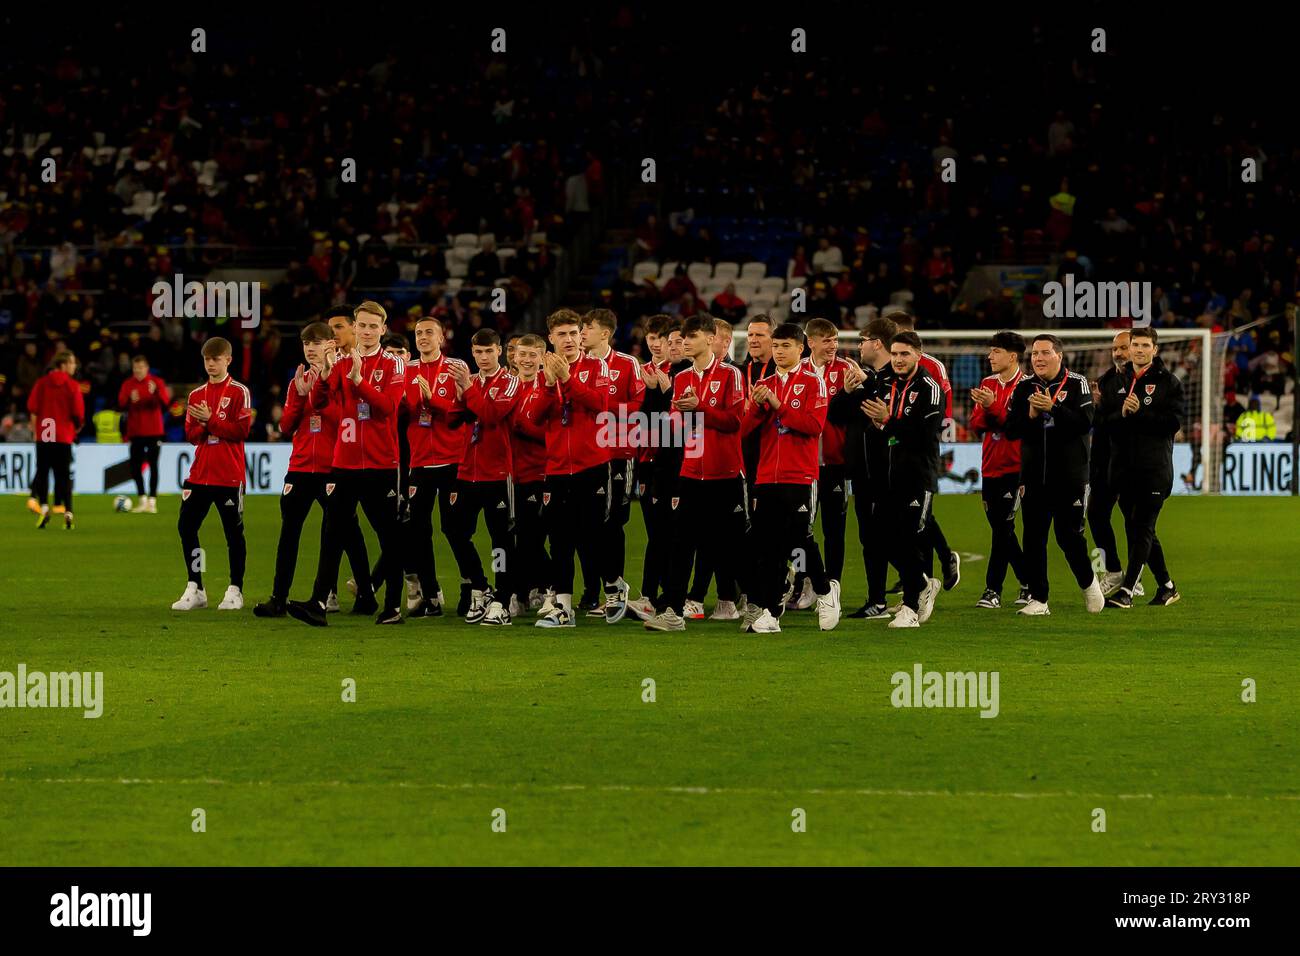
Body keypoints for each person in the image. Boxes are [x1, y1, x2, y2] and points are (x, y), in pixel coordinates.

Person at [287, 301, 408, 626]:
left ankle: (393, 606)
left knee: (388, 535)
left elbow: (387, 408)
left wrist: (357, 380)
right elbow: (318, 402)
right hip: (344, 461)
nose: (366, 332)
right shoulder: (338, 362)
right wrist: (325, 377)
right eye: (362, 325)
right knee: (332, 532)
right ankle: (317, 602)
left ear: (383, 329)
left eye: (373, 326)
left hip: (381, 463)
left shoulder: (394, 365)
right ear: (355, 328)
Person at [253, 323, 370, 618]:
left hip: (334, 466)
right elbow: (285, 426)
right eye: (307, 344)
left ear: (330, 345)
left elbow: (344, 417)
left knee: (347, 533)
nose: (310, 348)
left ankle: (365, 595)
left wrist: (316, 392)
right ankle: (278, 598)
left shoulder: (343, 375)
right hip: (301, 467)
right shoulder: (297, 382)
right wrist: (303, 395)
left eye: (316, 343)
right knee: (289, 533)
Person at [645, 315, 747, 630]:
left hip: (725, 472)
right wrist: (676, 414)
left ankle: (759, 606)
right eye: (683, 337)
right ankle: (675, 612)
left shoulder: (731, 374)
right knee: (681, 542)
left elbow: (736, 421)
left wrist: (700, 408)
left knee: (734, 545)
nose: (684, 342)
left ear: (709, 337)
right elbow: (676, 425)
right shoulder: (683, 377)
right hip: (690, 472)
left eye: (690, 337)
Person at [739, 322, 840, 633]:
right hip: (767, 474)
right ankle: (771, 612)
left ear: (801, 348)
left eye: (786, 346)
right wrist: (756, 407)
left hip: (800, 474)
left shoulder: (813, 382)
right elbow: (744, 431)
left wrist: (778, 406)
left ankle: (824, 591)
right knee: (767, 545)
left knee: (800, 538)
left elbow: (813, 426)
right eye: (777, 347)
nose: (780, 352)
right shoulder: (765, 382)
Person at [1003, 334, 1105, 616]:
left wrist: (1054, 408)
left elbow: (1085, 423)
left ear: (1059, 356)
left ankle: (1089, 585)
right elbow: (1011, 429)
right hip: (1034, 478)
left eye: (1045, 353)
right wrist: (1032, 416)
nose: (1038, 358)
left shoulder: (1077, 383)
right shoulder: (1024, 388)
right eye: (1035, 353)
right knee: (1033, 538)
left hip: (1070, 477)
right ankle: (1039, 598)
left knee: (1069, 538)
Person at [522, 309, 612, 628]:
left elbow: (600, 405)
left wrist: (566, 379)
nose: (570, 339)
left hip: (592, 465)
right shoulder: (543, 372)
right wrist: (549, 385)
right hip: (558, 468)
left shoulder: (596, 366)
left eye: (574, 333)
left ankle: (613, 585)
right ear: (551, 339)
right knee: (559, 539)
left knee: (592, 536)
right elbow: (531, 416)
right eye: (562, 334)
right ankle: (563, 606)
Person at [859, 332, 944, 628]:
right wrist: (878, 425)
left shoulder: (929, 388)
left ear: (918, 354)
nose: (898, 359)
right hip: (887, 477)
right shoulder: (886, 387)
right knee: (881, 539)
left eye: (904, 354)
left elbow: (925, 434)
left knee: (908, 539)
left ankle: (909, 609)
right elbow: (874, 429)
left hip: (917, 476)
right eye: (894, 354)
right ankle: (921, 584)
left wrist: (888, 422)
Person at [1101, 327, 1182, 608]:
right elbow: (1102, 423)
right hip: (1123, 469)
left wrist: (1140, 413)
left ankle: (1126, 591)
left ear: (1155, 350)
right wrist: (1121, 413)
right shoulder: (1113, 382)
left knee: (1143, 527)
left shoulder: (1169, 383)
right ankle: (1167, 587)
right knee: (1138, 529)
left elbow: (1173, 424)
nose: (1138, 350)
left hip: (1154, 469)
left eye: (1145, 345)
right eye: (1135, 344)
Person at [171, 337, 251, 611]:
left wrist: (210, 420)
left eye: (216, 359)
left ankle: (235, 589)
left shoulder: (240, 392)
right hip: (199, 474)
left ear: (228, 360)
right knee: (187, 527)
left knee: (233, 533)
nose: (211, 364)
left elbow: (241, 432)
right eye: (207, 359)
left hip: (228, 475)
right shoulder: (196, 395)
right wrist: (207, 424)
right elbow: (192, 436)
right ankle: (196, 586)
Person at [452, 329, 523, 625]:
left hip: (497, 473)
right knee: (455, 530)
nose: (483, 357)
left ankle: (503, 602)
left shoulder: (510, 382)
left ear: (499, 351)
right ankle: (481, 587)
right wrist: (459, 398)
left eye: (488, 351)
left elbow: (492, 415)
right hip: (467, 470)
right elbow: (455, 419)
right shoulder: (472, 382)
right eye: (478, 352)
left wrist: (467, 390)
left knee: (501, 540)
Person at [829, 316, 898, 620]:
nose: (859, 346)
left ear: (877, 343)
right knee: (870, 536)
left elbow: (905, 426)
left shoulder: (899, 379)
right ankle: (879, 600)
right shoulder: (864, 378)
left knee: (892, 533)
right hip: (862, 470)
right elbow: (835, 416)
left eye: (862, 340)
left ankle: (916, 585)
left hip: (891, 470)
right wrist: (845, 390)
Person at [887, 308, 960, 591]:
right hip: (896, 448)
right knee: (913, 515)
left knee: (917, 513)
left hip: (922, 446)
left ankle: (922, 579)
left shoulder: (932, 369)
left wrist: (944, 434)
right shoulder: (891, 370)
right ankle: (928, 568)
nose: (896, 355)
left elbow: (943, 405)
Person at [581, 308, 646, 622]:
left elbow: (640, 405)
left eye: (587, 328)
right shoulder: (577, 365)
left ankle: (615, 586)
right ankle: (593, 590)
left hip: (619, 453)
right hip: (586, 455)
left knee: (614, 521)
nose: (582, 334)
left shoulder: (627, 364)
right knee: (588, 524)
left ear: (604, 333)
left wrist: (606, 409)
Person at [788, 318, 857, 610]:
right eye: (826, 340)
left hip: (834, 462)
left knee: (834, 528)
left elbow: (852, 415)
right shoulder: (798, 371)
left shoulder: (846, 371)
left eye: (835, 340)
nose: (833, 346)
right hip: (803, 464)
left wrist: (850, 395)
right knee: (802, 528)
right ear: (811, 342)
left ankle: (832, 587)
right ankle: (806, 584)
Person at [626, 316, 688, 621]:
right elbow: (645, 423)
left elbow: (679, 428)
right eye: (664, 339)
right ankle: (654, 596)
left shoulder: (682, 376)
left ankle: (682, 597)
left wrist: (663, 394)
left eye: (674, 340)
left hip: (678, 465)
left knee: (681, 536)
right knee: (660, 534)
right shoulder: (655, 374)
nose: (662, 344)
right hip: (652, 463)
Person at [968, 331, 1031, 608]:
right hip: (990, 465)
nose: (990, 356)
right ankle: (1028, 581)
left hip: (1015, 467)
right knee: (1000, 527)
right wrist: (992, 412)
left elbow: (1015, 427)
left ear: (1012, 356)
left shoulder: (1028, 387)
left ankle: (992, 590)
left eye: (996, 351)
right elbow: (977, 424)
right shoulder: (987, 383)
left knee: (1002, 528)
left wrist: (993, 408)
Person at [1087, 330, 1135, 594]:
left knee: (1135, 521)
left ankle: (1136, 578)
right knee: (1095, 515)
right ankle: (1115, 571)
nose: (1118, 353)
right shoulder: (1105, 381)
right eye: (1115, 348)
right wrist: (1097, 408)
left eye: (1123, 347)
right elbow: (1099, 424)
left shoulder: (1140, 380)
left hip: (1130, 462)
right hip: (1104, 461)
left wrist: (1107, 413)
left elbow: (1129, 421)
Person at [508, 334, 551, 615]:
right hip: (511, 474)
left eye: (532, 355)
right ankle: (524, 592)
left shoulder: (548, 388)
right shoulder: (508, 387)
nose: (525, 359)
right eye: (521, 354)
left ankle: (550, 587)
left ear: (542, 358)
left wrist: (526, 428)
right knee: (517, 537)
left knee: (531, 538)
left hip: (540, 473)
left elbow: (554, 435)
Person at [27, 350, 84, 530]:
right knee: (64, 475)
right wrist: (75, 428)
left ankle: (44, 507)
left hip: (45, 435)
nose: (74, 367)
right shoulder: (72, 385)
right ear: (63, 365)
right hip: (63, 435)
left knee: (43, 472)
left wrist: (37, 432)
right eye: (72, 363)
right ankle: (68, 511)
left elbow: (33, 408)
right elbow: (78, 413)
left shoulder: (42, 383)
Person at [117, 355, 170, 514]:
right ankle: (142, 499)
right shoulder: (128, 384)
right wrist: (129, 399)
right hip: (135, 432)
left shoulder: (157, 383)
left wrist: (156, 393)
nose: (138, 371)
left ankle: (152, 501)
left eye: (140, 368)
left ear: (147, 368)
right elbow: (120, 404)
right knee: (135, 466)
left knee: (153, 465)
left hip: (154, 431)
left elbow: (166, 403)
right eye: (135, 368)